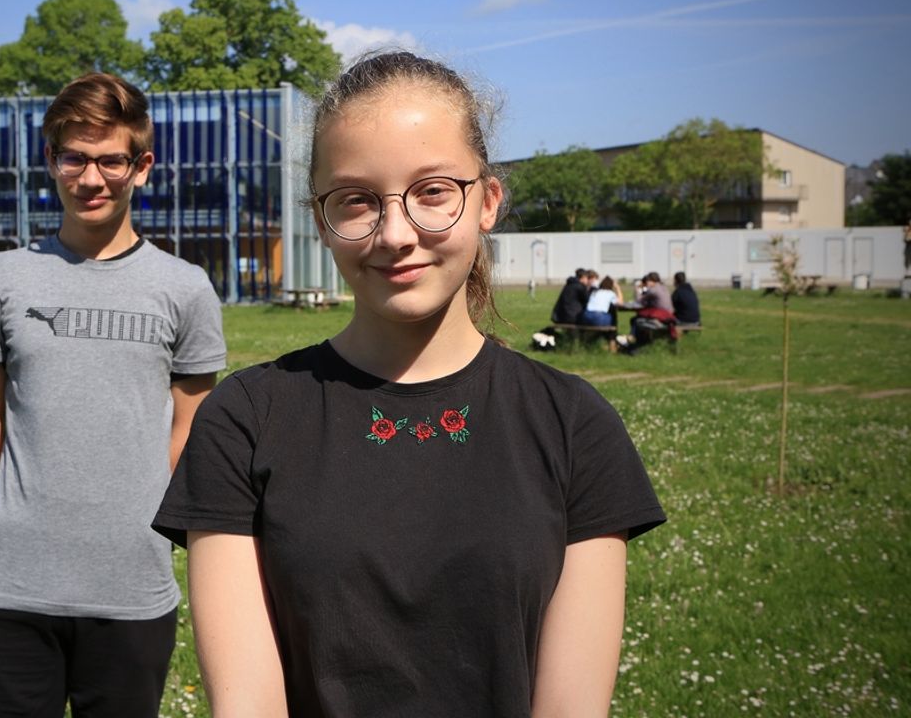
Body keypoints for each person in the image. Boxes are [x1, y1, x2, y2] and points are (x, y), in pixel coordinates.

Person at [153, 52, 666, 716]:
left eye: (432, 191)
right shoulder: (245, 420)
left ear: (487, 201)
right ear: (321, 221)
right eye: (356, 200)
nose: (396, 234)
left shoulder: (573, 424)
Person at [0, 72, 227, 717]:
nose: (91, 178)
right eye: (74, 158)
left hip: (131, 589)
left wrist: (131, 518)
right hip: (11, 589)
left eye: (111, 161)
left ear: (142, 167)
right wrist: (26, 511)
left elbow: (190, 432)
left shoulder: (185, 289)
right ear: (51, 160)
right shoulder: (3, 278)